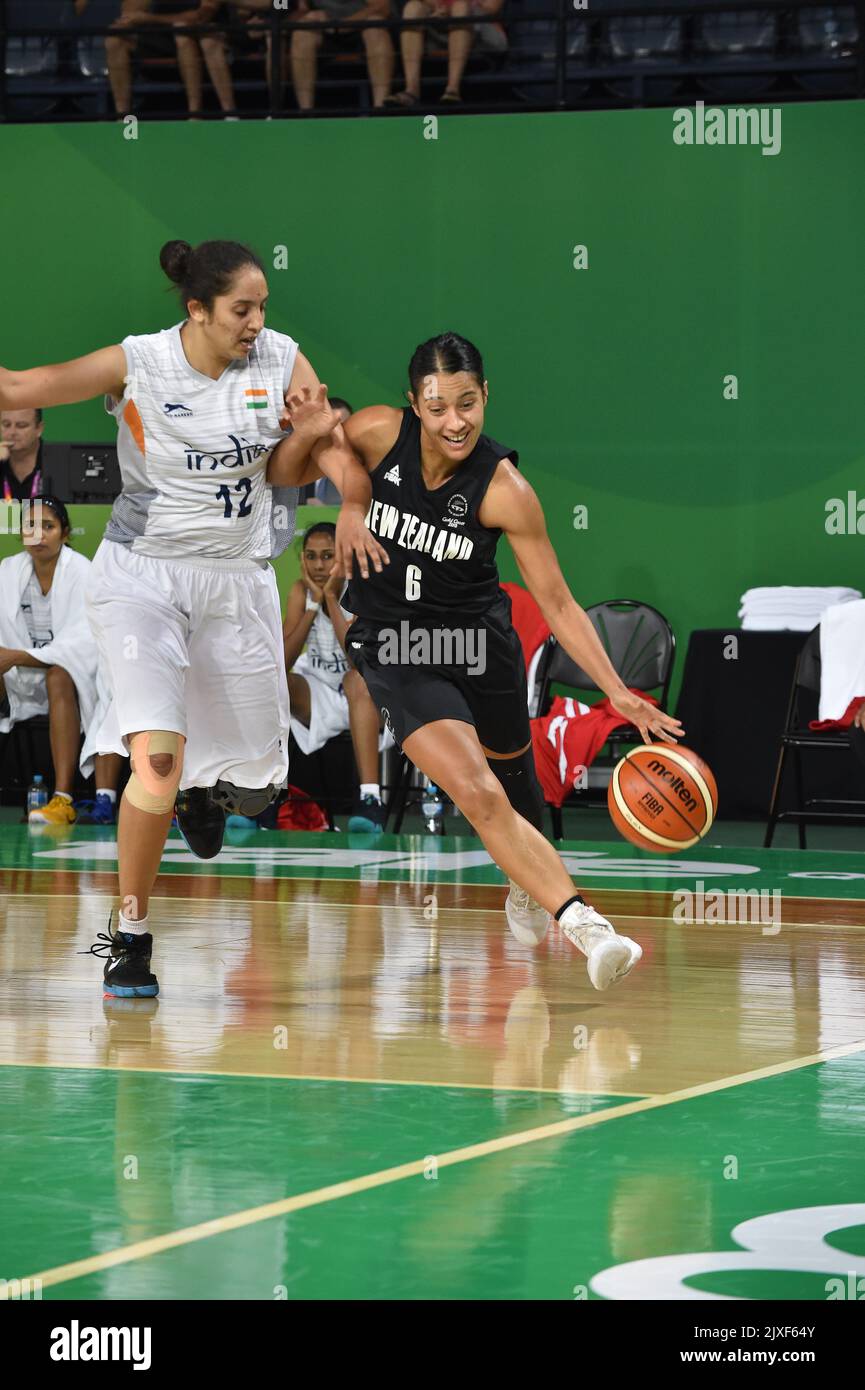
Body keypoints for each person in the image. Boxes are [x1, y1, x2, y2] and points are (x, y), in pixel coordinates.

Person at [0, 237, 385, 999]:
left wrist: (344, 489)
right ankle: (132, 935)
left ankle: (209, 797)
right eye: (241, 309)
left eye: (263, 307)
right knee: (157, 758)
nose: (257, 321)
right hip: (141, 579)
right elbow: (20, 384)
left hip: (236, 582)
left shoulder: (279, 359)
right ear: (197, 310)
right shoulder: (140, 361)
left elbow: (306, 460)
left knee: (256, 782)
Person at [341, 331, 683, 991]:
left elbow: (556, 602)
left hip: (477, 641)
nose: (454, 421)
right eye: (438, 407)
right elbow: (331, 447)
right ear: (414, 404)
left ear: (485, 395)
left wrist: (616, 689)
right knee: (476, 792)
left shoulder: (505, 490)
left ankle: (525, 882)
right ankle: (587, 926)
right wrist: (354, 504)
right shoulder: (378, 434)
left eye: (467, 403)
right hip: (396, 642)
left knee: (513, 778)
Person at [0, 497, 122, 825]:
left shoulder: (83, 571)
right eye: (30, 526)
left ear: (65, 533)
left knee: (59, 674)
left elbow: (82, 647)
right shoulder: (8, 571)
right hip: (19, 678)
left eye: (48, 527)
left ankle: (63, 797)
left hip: (77, 678)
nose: (38, 535)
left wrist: (16, 657)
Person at [283, 521, 387, 831]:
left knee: (357, 680)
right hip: (320, 695)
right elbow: (283, 661)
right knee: (269, 683)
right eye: (311, 556)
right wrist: (313, 605)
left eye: (327, 556)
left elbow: (357, 657)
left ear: (344, 557)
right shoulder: (301, 591)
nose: (318, 565)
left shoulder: (363, 588)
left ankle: (370, 800)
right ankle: (263, 796)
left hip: (367, 696)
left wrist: (330, 598)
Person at [95, 0, 242, 119]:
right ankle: (123, 117)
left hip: (196, 36)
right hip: (158, 36)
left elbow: (201, 16)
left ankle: (195, 114)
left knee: (182, 32)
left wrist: (150, 18)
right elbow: (130, 13)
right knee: (114, 40)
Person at [241, 0, 394, 110]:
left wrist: (344, 24)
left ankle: (380, 110)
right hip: (325, 29)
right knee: (302, 32)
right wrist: (309, 15)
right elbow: (290, 6)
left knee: (376, 26)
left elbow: (383, 6)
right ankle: (306, 113)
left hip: (359, 25)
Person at [384, 0, 505, 106]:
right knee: (413, 7)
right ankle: (411, 90)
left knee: (460, 6)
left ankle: (452, 89)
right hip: (441, 21)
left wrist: (454, 9)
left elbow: (491, 8)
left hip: (480, 26)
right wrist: (438, 8)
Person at [0, 407, 44, 504]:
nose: (12, 432)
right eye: (6, 425)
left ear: (39, 429)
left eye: (21, 426)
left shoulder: (58, 462)